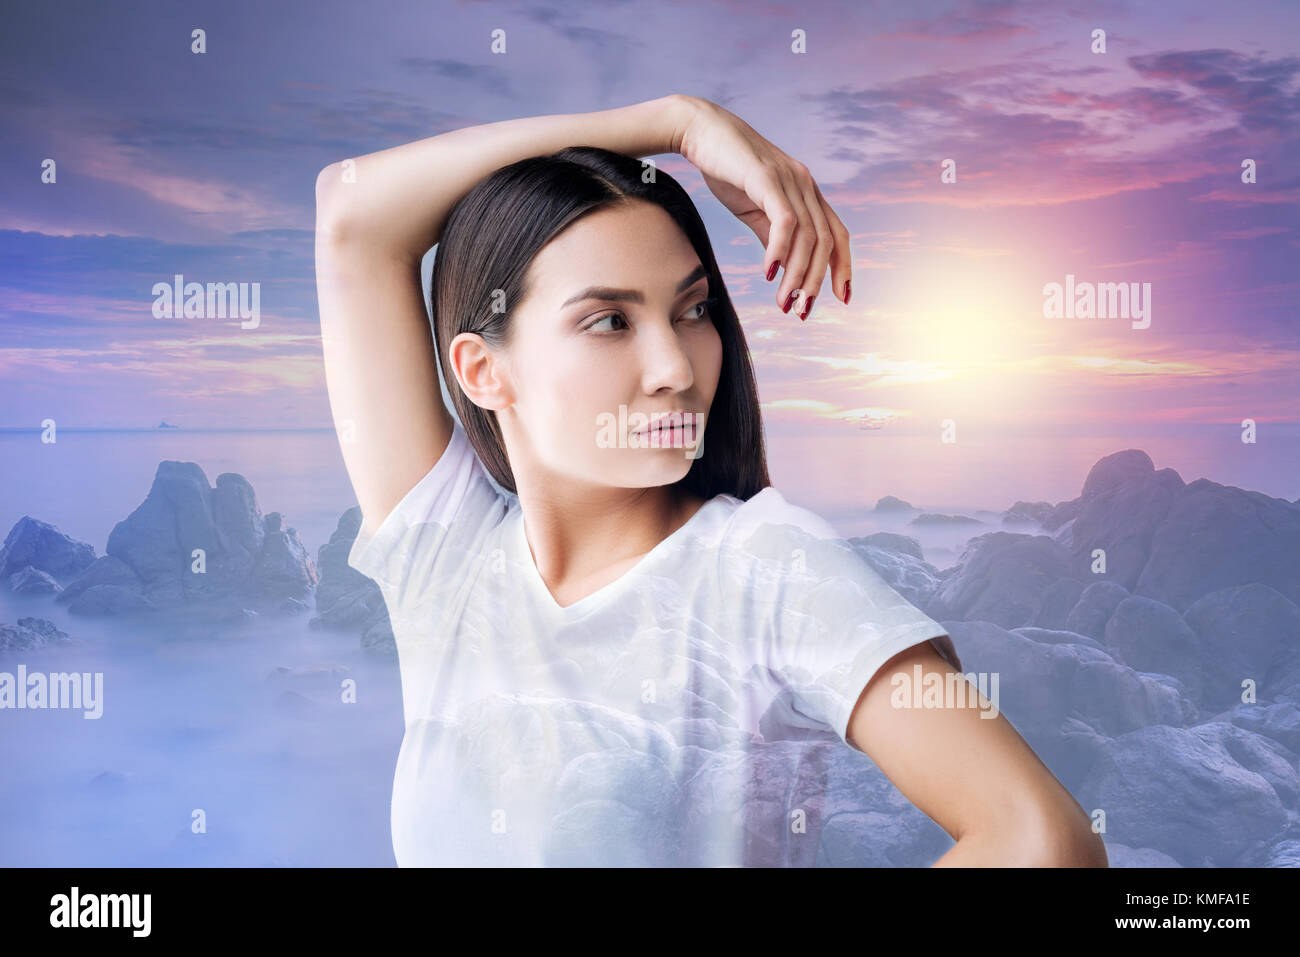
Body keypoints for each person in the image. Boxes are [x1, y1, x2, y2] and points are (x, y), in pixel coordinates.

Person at [314, 94, 1108, 867]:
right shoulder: (446, 562)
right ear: (484, 370)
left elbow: (1043, 840)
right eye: (610, 321)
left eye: (693, 311)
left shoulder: (766, 567)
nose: (674, 367)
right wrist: (675, 123)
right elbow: (352, 215)